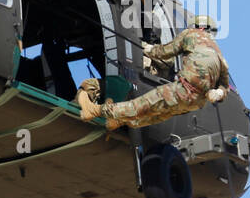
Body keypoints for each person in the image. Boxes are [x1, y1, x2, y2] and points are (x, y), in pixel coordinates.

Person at [76, 15, 229, 130]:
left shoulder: (192, 34)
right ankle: (119, 120)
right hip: (195, 103)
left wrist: (148, 49)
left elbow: (166, 52)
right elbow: (225, 87)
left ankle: (95, 110)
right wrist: (219, 94)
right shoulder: (220, 56)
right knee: (154, 115)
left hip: (182, 90)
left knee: (139, 106)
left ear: (199, 27)